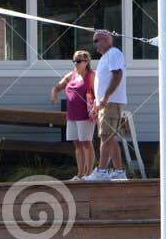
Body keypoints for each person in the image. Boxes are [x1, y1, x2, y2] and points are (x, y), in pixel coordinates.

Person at [51, 51, 97, 181]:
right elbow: (58, 86)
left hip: (85, 115)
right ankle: (80, 173)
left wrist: (96, 105)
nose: (76, 64)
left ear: (86, 62)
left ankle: (89, 174)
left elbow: (99, 93)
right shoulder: (71, 75)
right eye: (74, 61)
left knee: (86, 142)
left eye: (79, 61)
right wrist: (54, 94)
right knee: (77, 144)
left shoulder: (91, 75)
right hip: (72, 115)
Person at [89, 28, 128, 181]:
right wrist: (97, 103)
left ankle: (102, 171)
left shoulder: (114, 53)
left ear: (106, 39)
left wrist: (106, 97)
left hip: (111, 101)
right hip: (106, 102)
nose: (95, 45)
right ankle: (119, 172)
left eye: (96, 41)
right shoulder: (106, 57)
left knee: (106, 136)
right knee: (109, 137)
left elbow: (117, 75)